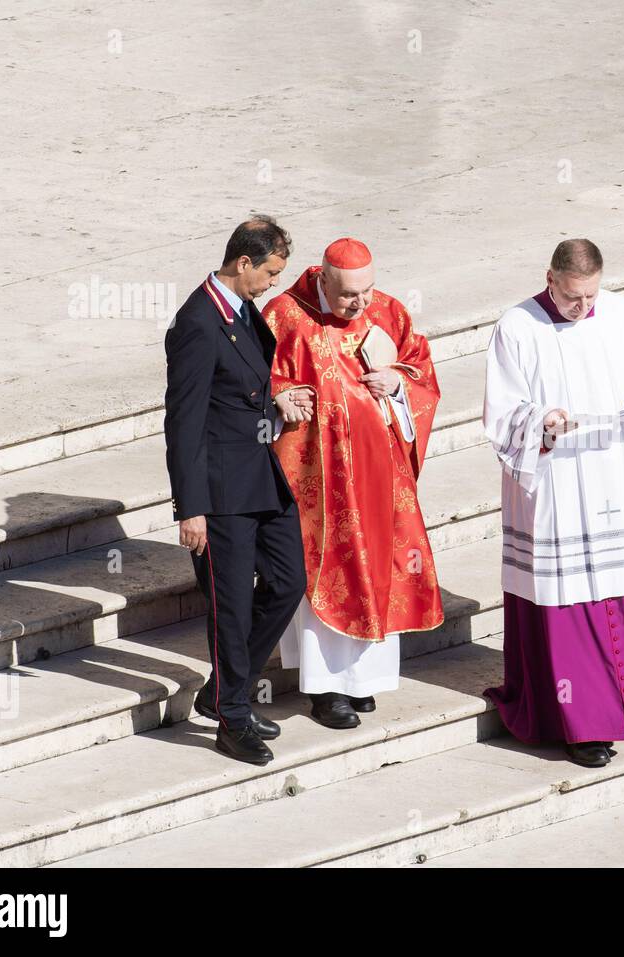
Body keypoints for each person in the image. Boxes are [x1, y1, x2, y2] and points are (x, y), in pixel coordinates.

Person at [482, 238, 624, 767]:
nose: (582, 308)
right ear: (550, 277)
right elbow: (502, 412)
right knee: (567, 609)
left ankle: (615, 707)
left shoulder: (623, 314)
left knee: (614, 595)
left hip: (611, 477)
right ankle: (582, 723)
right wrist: (540, 422)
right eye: (571, 298)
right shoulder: (518, 327)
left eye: (589, 296)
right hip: (556, 484)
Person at [262, 237, 444, 730]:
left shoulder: (388, 310)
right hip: (319, 477)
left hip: (381, 477)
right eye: (347, 295)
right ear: (321, 279)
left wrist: (400, 383)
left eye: (366, 292)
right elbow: (258, 377)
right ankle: (325, 690)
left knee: (378, 568)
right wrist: (279, 398)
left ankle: (364, 683)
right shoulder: (286, 315)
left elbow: (421, 370)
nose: (360, 304)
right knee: (329, 571)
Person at [164, 215, 309, 766]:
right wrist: (191, 507)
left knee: (288, 579)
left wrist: (277, 404)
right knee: (230, 603)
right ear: (243, 262)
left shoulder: (243, 308)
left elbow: (242, 389)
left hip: (258, 473)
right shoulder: (199, 322)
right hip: (221, 489)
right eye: (270, 271)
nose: (274, 281)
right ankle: (232, 716)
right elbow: (184, 420)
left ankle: (223, 689)